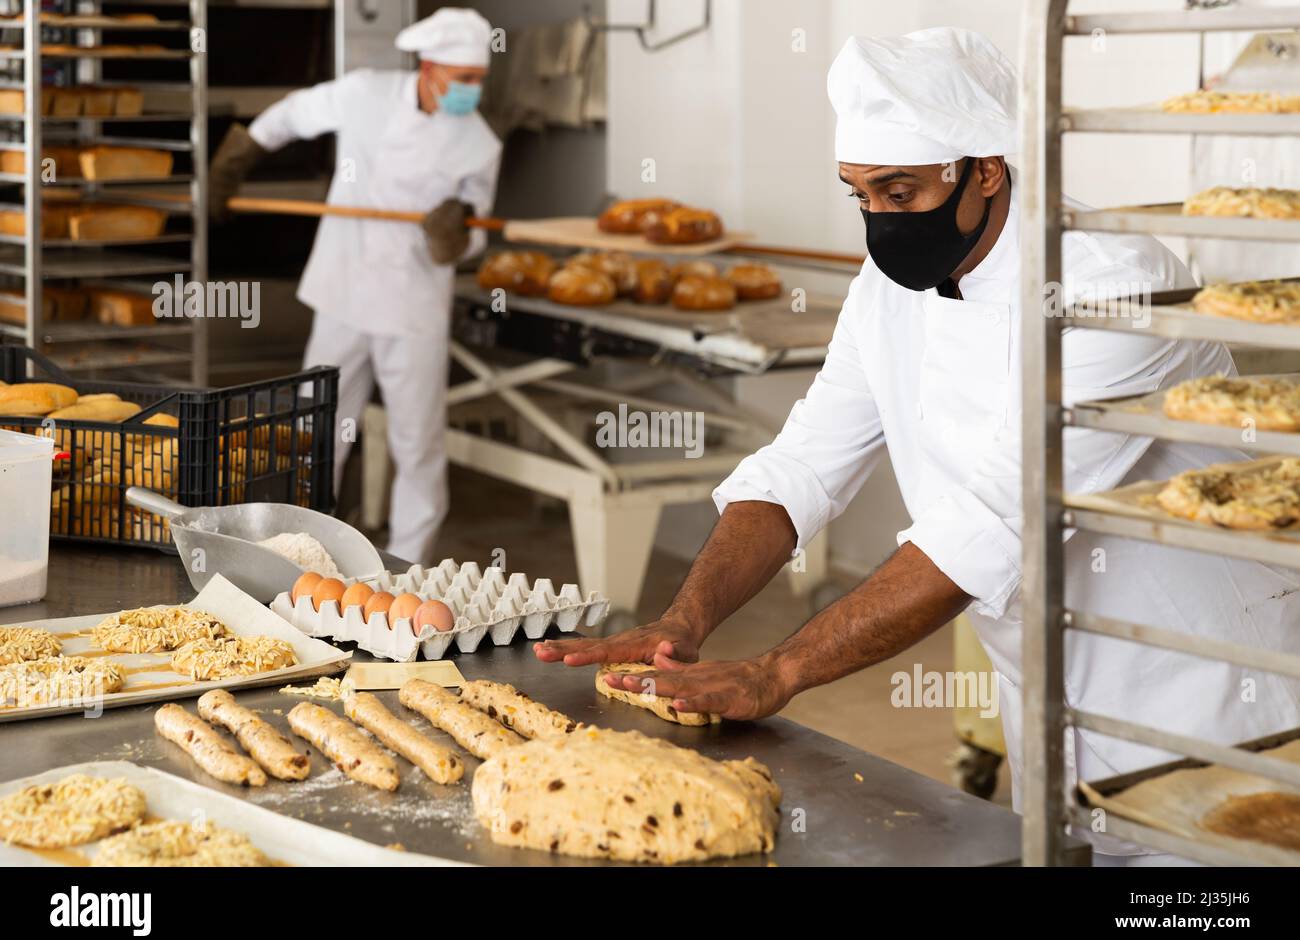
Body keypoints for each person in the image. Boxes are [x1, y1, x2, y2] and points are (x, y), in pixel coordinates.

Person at [535, 27, 1300, 865]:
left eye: (899, 193)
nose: (879, 222)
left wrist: (778, 671)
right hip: (1052, 694)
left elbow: (989, 525)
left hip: (1208, 698)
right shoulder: (888, 290)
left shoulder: (1112, 287)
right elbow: (804, 463)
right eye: (859, 195)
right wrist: (686, 619)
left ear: (985, 170)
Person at [208, 8, 502, 564]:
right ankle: (302, 550)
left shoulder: (479, 143)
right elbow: (294, 114)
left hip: (414, 305)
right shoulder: (366, 94)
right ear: (430, 67)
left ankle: (408, 564)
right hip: (344, 290)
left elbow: (477, 228)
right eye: (463, 79)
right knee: (316, 428)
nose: (471, 92)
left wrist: (456, 240)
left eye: (478, 81)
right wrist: (240, 154)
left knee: (417, 443)